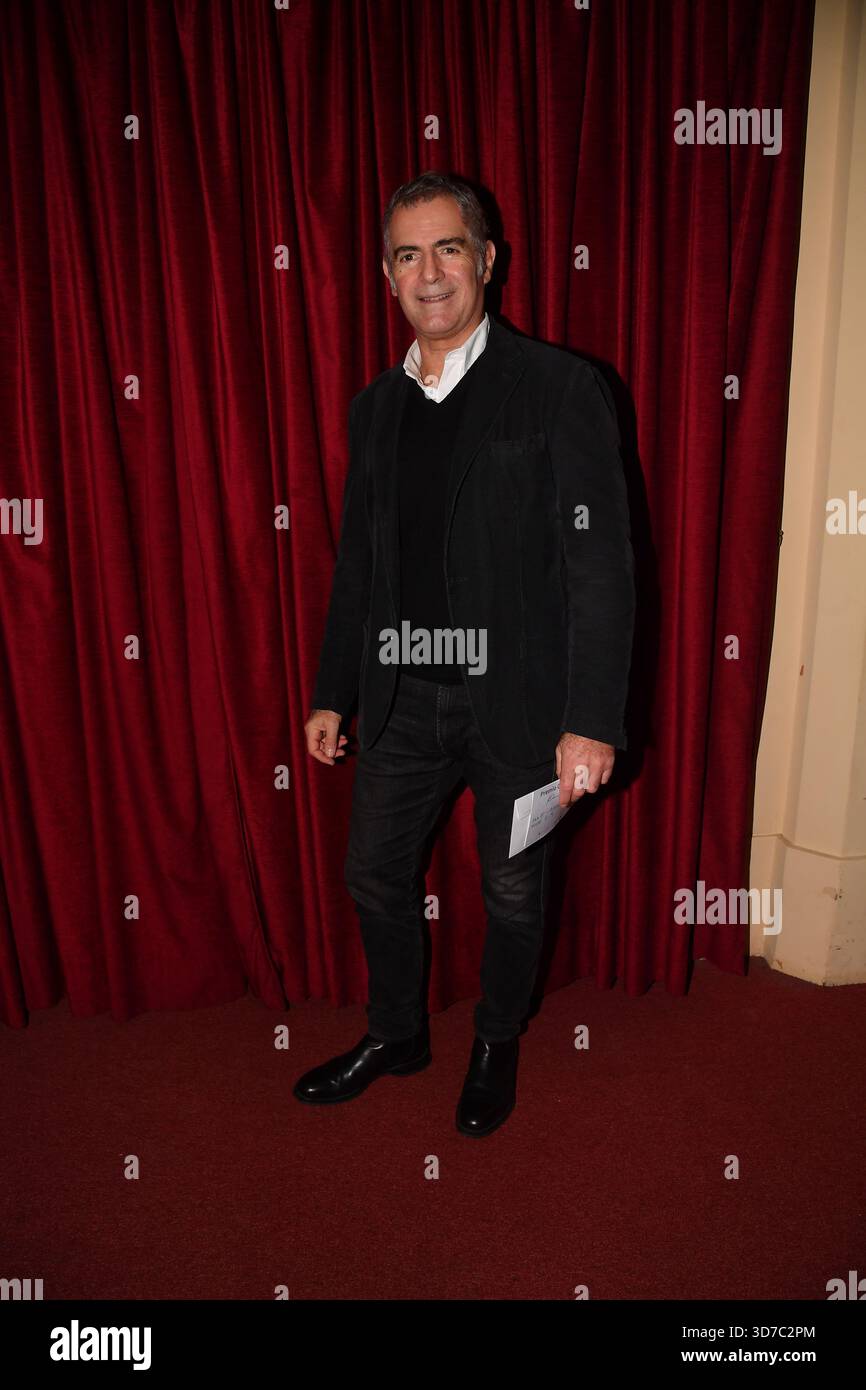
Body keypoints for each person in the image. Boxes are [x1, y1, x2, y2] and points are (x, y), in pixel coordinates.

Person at [295, 171, 634, 1137]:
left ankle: (495, 1040)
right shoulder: (374, 411)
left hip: (522, 704)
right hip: (403, 695)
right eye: (408, 254)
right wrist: (333, 692)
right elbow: (359, 562)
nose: (430, 271)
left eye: (449, 248)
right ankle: (397, 1034)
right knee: (372, 874)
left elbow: (601, 567)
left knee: (512, 890)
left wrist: (592, 720)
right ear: (388, 276)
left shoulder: (562, 388)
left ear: (489, 260)